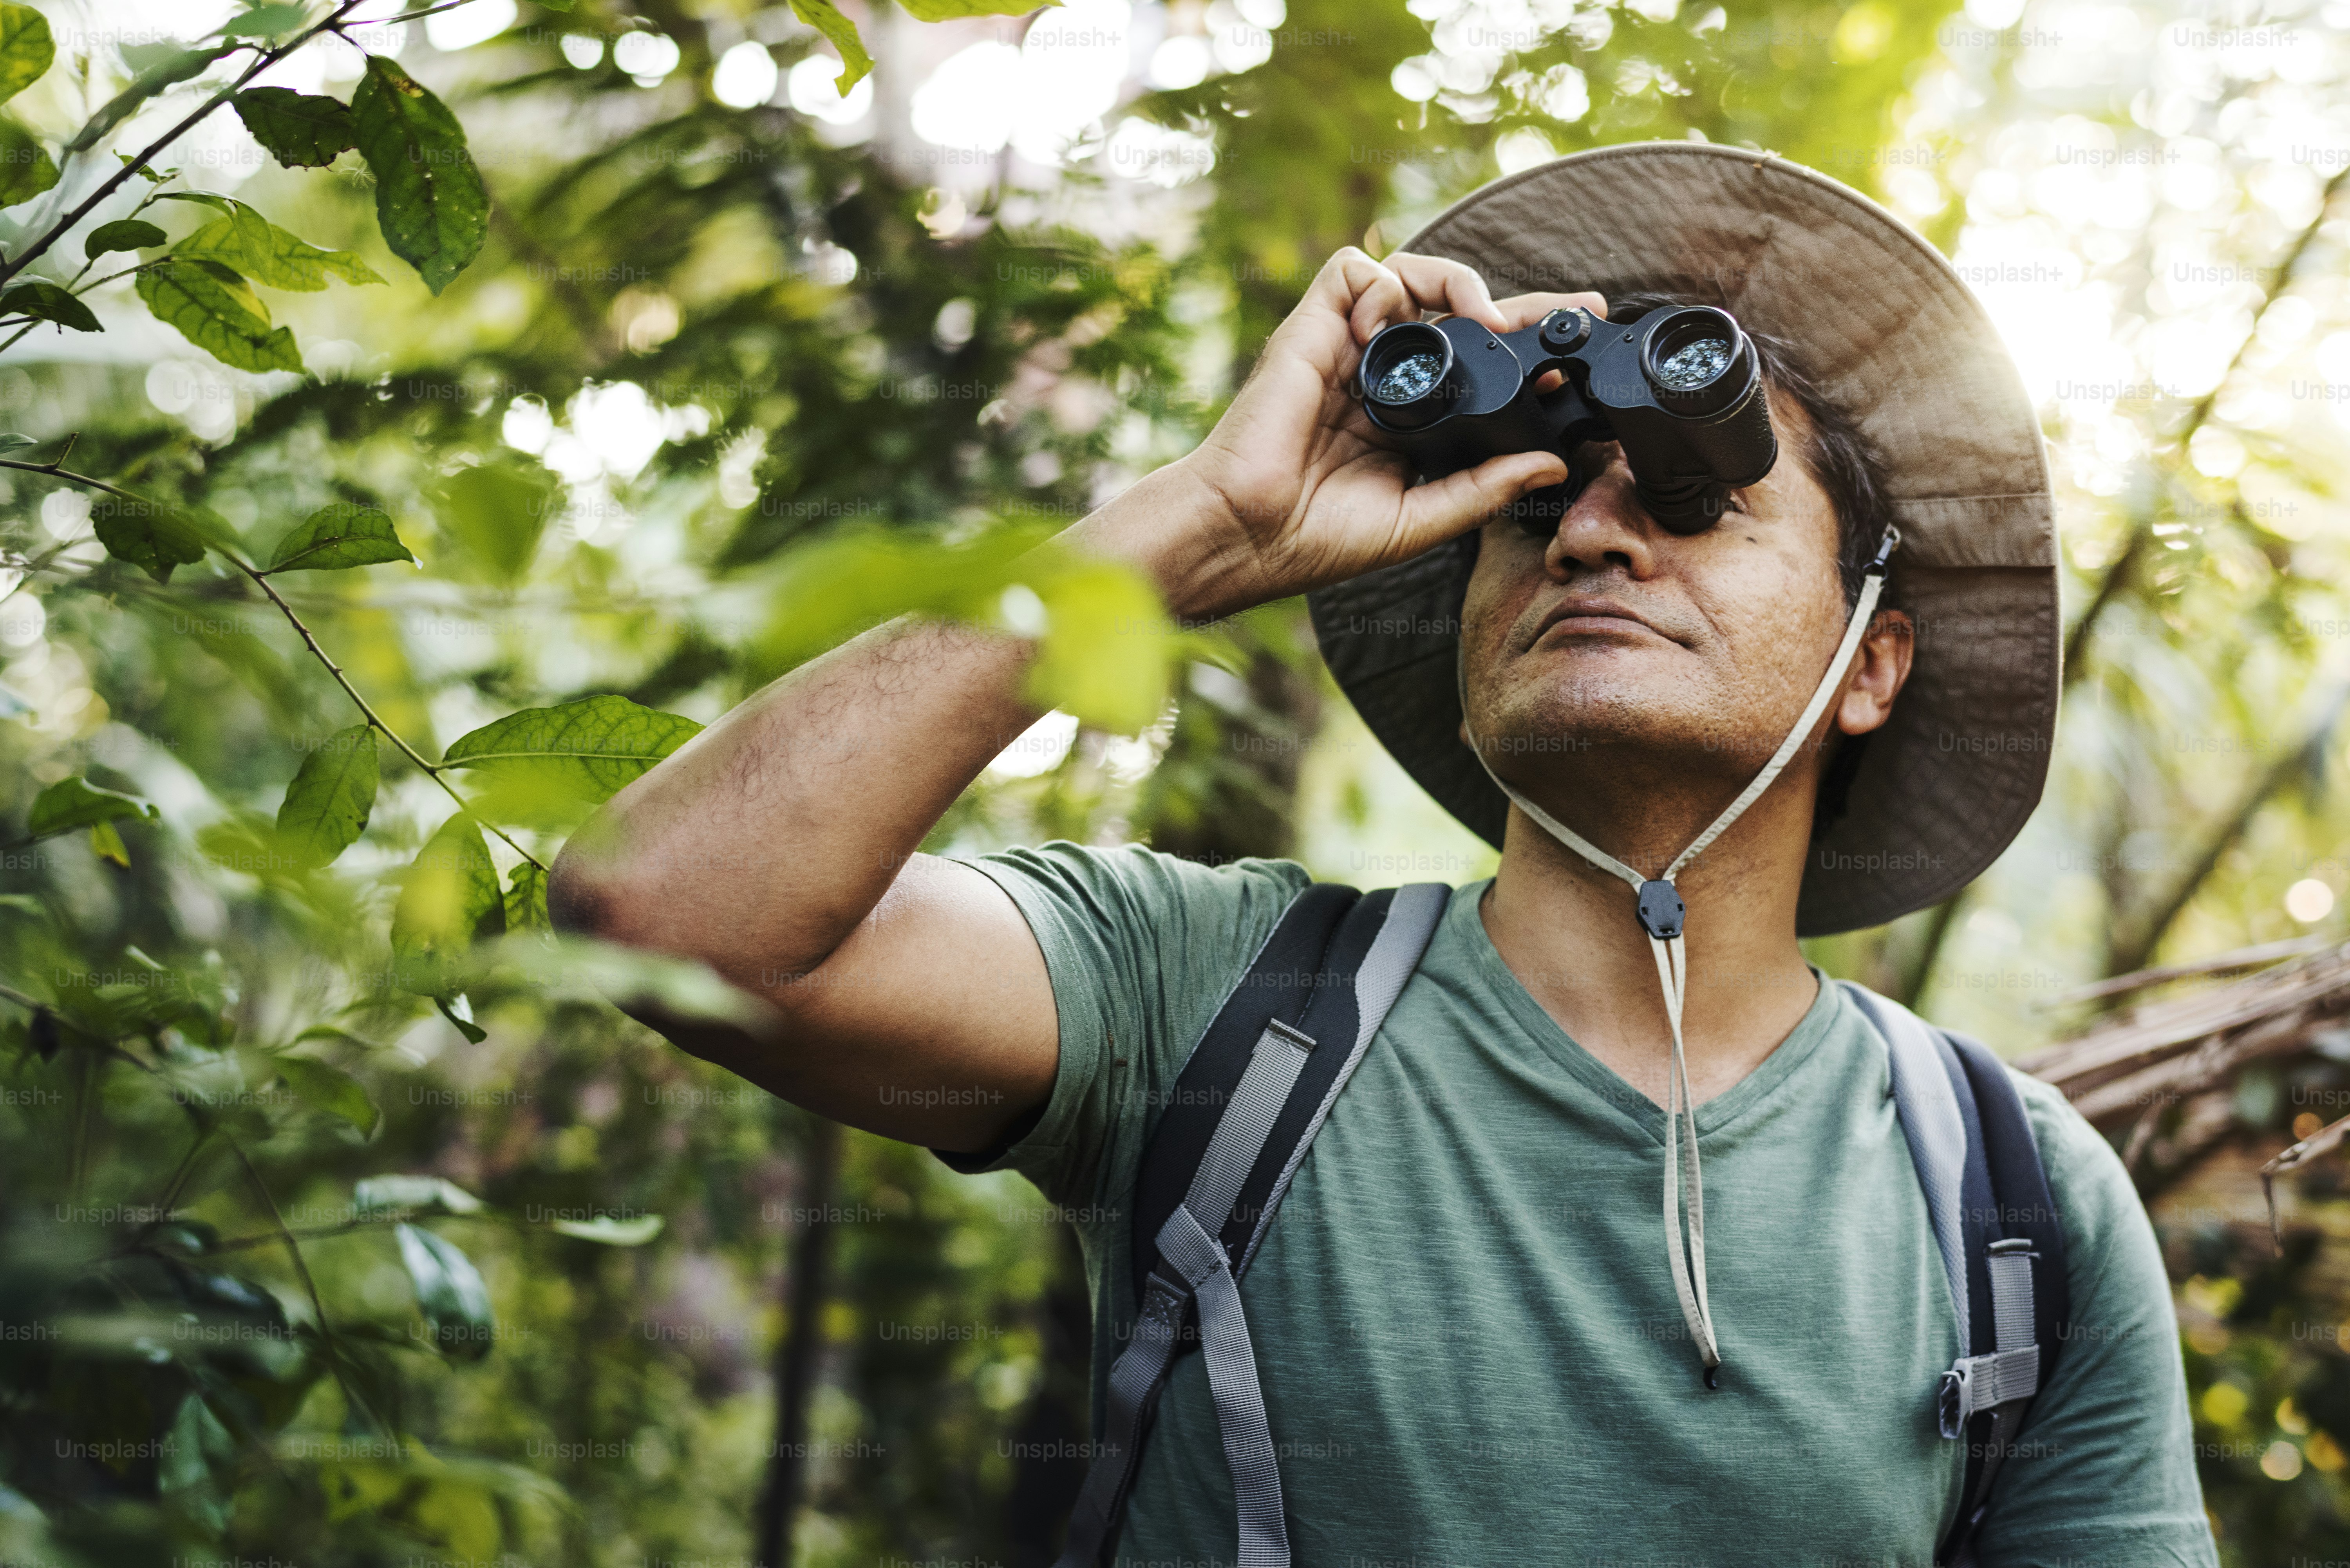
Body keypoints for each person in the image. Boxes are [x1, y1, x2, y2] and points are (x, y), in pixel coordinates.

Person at [551, 144, 2216, 1564]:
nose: (1587, 526)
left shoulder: (2013, 1193)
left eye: (1700, 500)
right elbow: (665, 907)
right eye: (1530, 501)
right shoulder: (1218, 1002)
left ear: (1872, 664)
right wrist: (1197, 524)